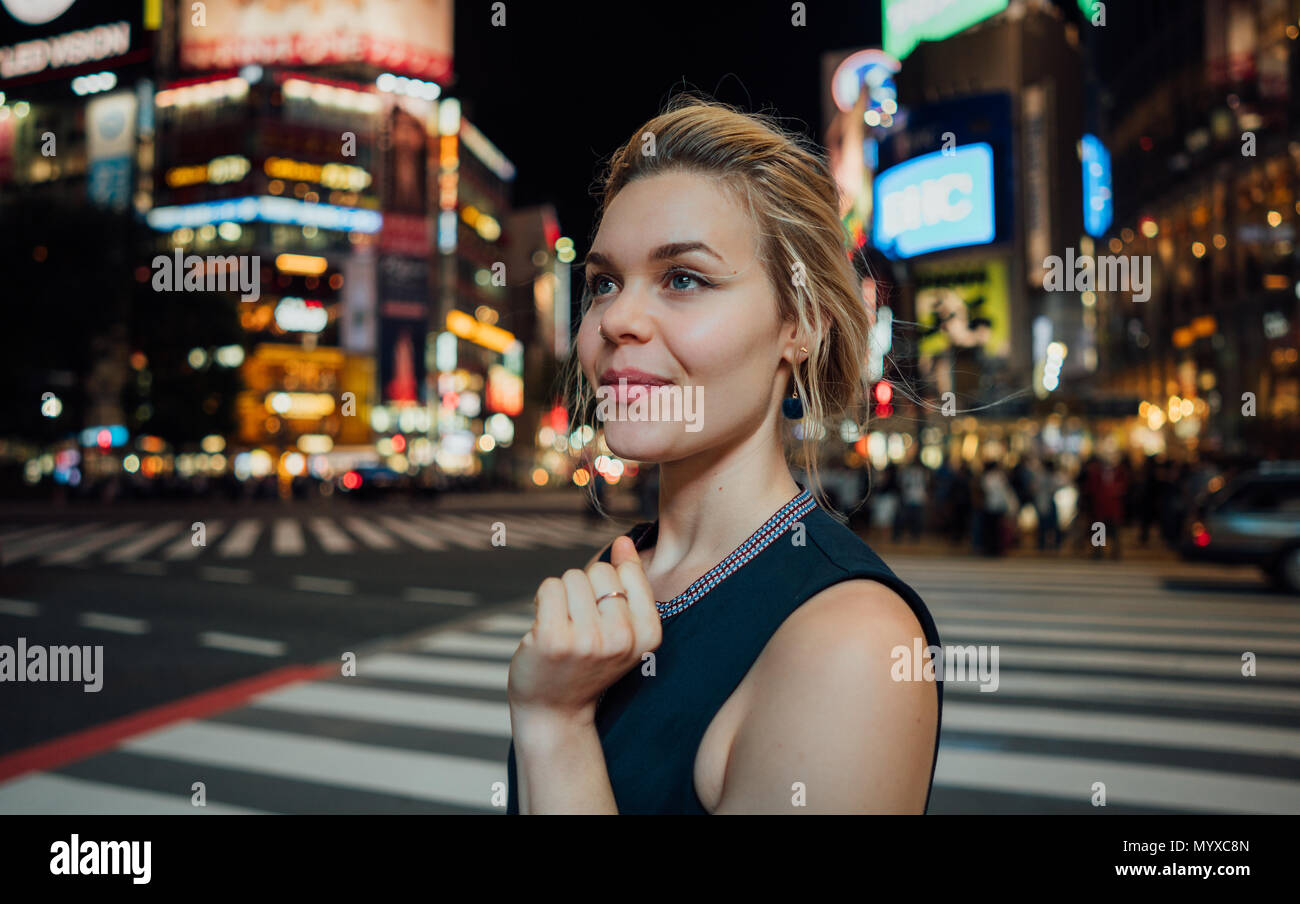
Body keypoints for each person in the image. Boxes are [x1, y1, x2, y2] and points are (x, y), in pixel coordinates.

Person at [504, 96, 942, 815]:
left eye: (684, 278)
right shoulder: (620, 575)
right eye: (604, 282)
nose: (615, 319)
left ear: (798, 326)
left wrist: (553, 725)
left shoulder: (854, 644)